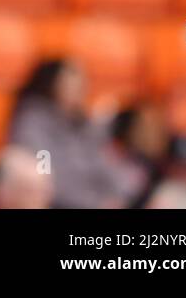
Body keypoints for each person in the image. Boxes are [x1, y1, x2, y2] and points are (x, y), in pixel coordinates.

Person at [7, 59, 130, 208]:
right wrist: (94, 203)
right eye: (74, 85)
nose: (82, 91)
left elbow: (104, 165)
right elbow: (43, 176)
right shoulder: (32, 125)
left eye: (83, 85)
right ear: (53, 85)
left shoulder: (85, 125)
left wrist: (116, 197)